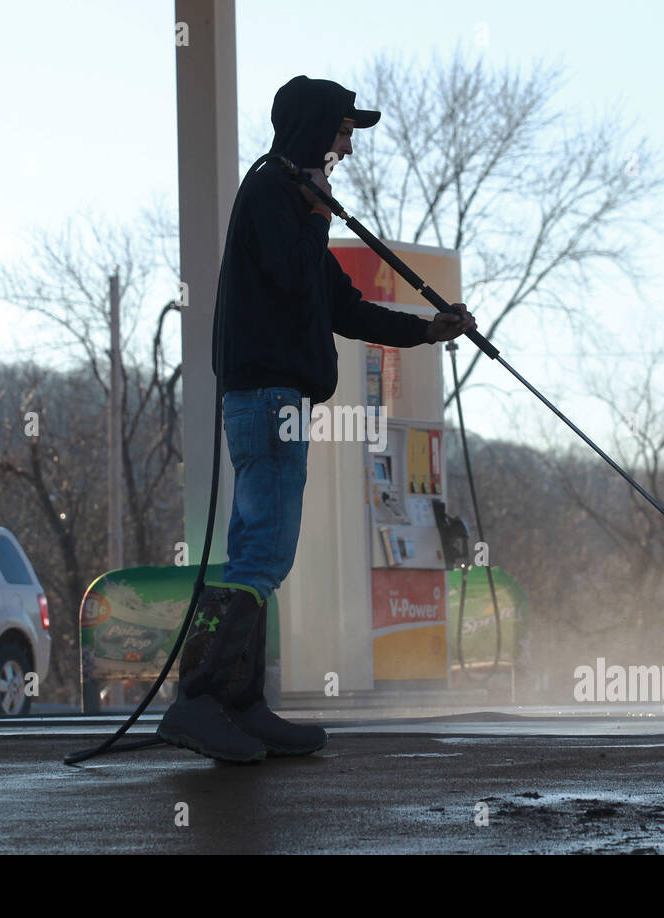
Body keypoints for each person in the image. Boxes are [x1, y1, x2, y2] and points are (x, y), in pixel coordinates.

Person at [157, 75, 477, 763]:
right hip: (268, 399)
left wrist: (430, 331)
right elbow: (287, 271)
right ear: (311, 131)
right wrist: (315, 211)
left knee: (258, 553)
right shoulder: (275, 193)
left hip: (281, 402)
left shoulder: (295, 201)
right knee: (265, 553)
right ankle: (199, 701)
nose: (348, 149)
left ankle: (238, 702)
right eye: (341, 134)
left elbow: (341, 304)